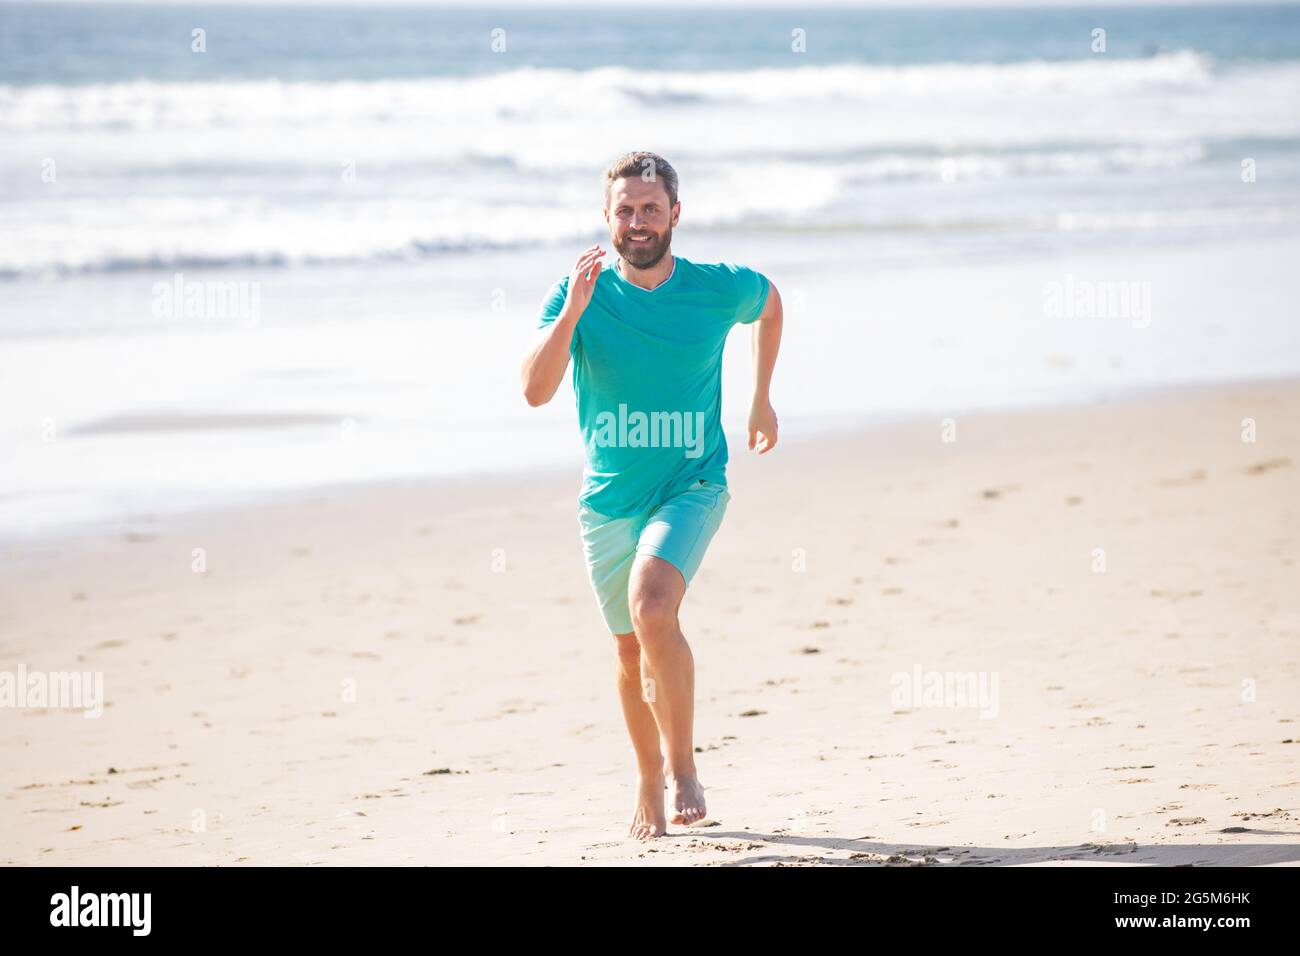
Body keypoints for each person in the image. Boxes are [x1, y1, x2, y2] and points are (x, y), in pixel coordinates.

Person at [520, 151, 783, 840]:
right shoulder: (578, 292)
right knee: (631, 652)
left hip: (691, 483)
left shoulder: (714, 289)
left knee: (652, 603)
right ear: (608, 218)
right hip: (608, 502)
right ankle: (646, 780)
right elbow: (534, 390)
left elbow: (770, 303)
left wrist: (760, 400)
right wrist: (572, 315)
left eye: (651, 209)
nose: (638, 222)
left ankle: (683, 766)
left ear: (675, 215)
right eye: (625, 210)